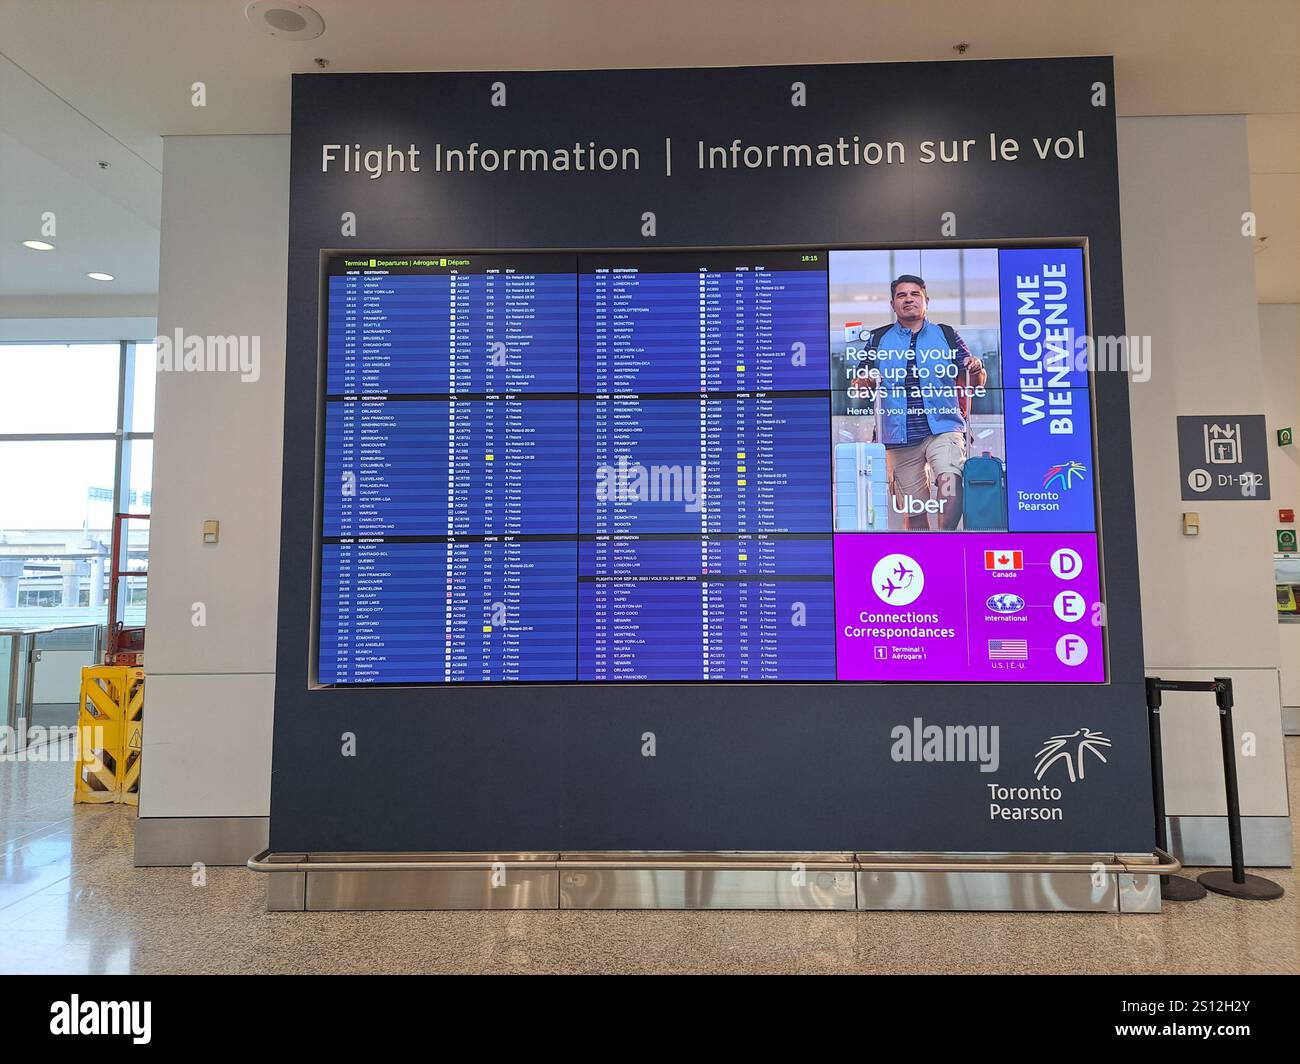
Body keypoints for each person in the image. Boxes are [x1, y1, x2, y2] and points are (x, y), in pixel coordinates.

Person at [866, 275, 986, 530]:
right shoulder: (877, 339)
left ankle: (945, 539)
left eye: (914, 294)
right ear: (892, 304)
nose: (908, 299)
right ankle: (923, 552)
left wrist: (976, 367)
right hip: (898, 435)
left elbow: (976, 379)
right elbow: (860, 378)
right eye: (902, 295)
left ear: (926, 301)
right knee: (914, 507)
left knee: (950, 478)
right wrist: (863, 380)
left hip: (944, 426)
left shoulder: (946, 334)